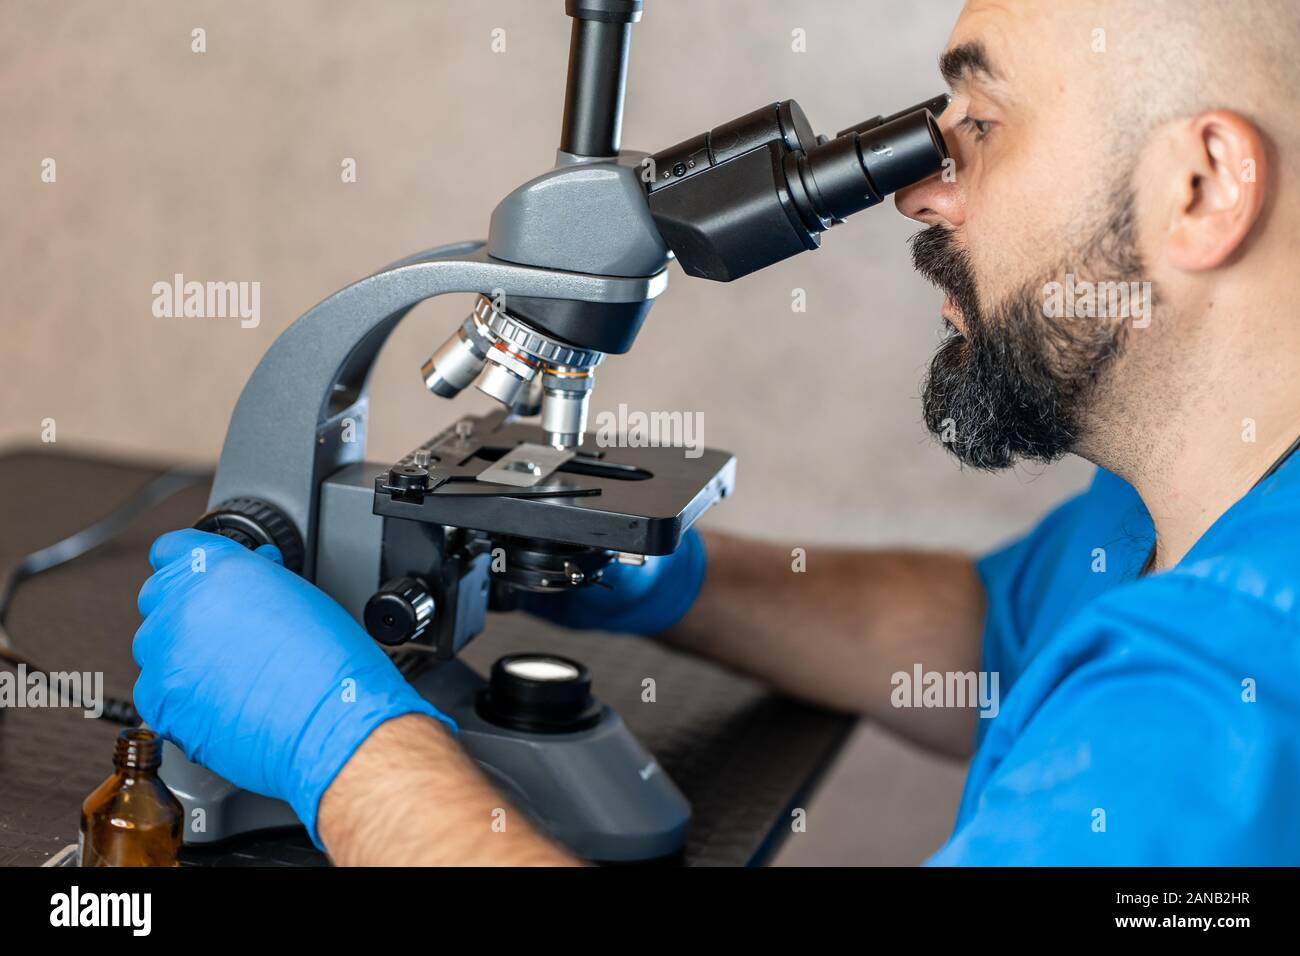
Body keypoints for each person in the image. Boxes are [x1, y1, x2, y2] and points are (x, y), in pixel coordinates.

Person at [134, 0, 1300, 865]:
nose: (917, 190)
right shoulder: (1198, 514)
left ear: (1200, 186)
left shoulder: (1214, 707)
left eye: (982, 126)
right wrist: (671, 583)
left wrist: (345, 746)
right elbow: (988, 642)